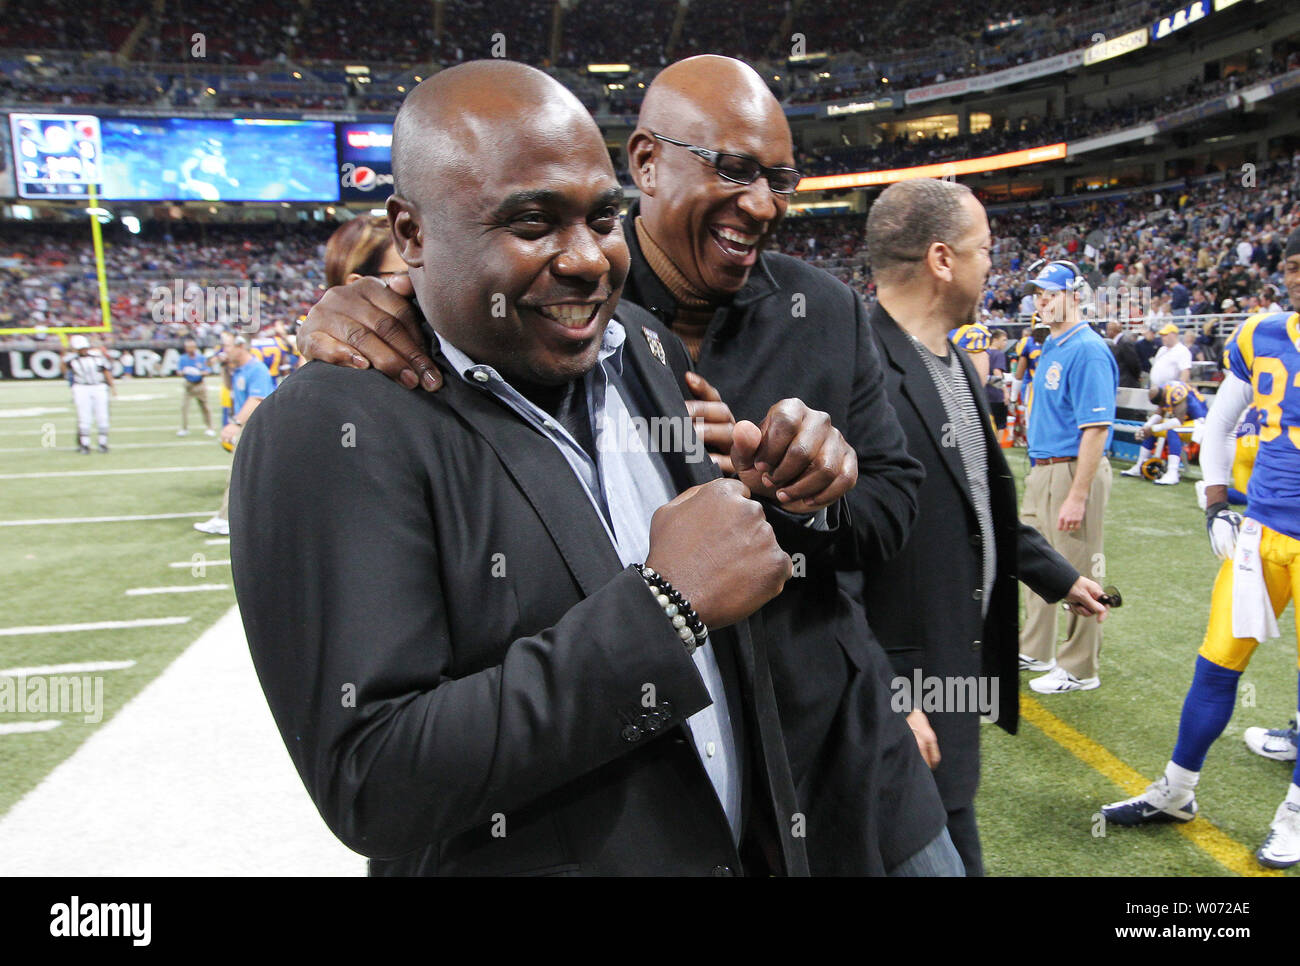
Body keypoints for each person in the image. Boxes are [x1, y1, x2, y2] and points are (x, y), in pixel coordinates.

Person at [293, 54, 960, 876]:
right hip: (619, 791)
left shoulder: (817, 311)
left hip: (833, 746)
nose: (760, 203)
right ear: (645, 163)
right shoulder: (571, 316)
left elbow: (894, 509)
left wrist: (809, 491)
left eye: (780, 179)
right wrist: (358, 306)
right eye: (735, 169)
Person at [857, 178, 1108, 875]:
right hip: (905, 696)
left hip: (951, 681)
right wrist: (885, 696)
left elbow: (979, 508)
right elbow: (827, 569)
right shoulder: (857, 370)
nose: (990, 268)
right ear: (942, 259)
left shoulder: (953, 359)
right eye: (984, 251)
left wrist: (1058, 577)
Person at [1100, 235, 1300, 867]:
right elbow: (1219, 418)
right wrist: (1214, 500)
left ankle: (1296, 814)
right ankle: (1177, 791)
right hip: (1262, 531)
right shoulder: (1260, 334)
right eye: (1294, 269)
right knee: (1215, 665)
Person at [1017, 260, 1119, 693]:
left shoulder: (1088, 348)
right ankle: (1036, 647)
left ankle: (1080, 667)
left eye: (1051, 293)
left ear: (1074, 296)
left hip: (1073, 470)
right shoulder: (1054, 344)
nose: (1042, 301)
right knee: (1037, 560)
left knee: (1078, 566)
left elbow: (1096, 428)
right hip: (1044, 468)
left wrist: (1078, 494)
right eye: (1038, 294)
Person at [194, 334, 273, 536]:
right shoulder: (240, 369)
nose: (224, 350)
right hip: (251, 428)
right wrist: (224, 368)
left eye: (227, 346)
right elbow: (230, 387)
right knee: (249, 477)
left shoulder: (257, 369)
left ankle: (225, 519)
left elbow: (257, 399)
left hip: (255, 428)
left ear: (240, 346)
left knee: (236, 476)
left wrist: (236, 423)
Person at [1120, 380, 1207, 486]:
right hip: (1187, 422)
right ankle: (1139, 466)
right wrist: (1146, 427)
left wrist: (1152, 429)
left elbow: (1179, 420)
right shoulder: (1163, 390)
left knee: (1173, 431)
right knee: (1154, 429)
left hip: (1200, 423)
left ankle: (1173, 473)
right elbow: (1159, 414)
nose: (1161, 405)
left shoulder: (1177, 391)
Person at [63, 334, 115, 454]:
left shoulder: (97, 357)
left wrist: (112, 386)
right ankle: (84, 444)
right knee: (84, 416)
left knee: (102, 415)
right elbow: (64, 369)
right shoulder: (71, 359)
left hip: (98, 386)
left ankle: (102, 443)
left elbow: (106, 371)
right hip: (81, 387)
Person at [176, 337, 216, 437]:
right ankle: (184, 428)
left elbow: (207, 371)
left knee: (205, 407)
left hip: (200, 384)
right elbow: (179, 371)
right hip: (188, 385)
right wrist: (185, 372)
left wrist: (198, 372)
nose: (190, 348)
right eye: (188, 347)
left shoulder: (201, 358)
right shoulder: (183, 358)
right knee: (184, 407)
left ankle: (210, 427)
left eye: (192, 346)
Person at [1149, 322, 1192, 389]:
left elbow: (1185, 371)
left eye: (1165, 335)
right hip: (1156, 389)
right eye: (1162, 335)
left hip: (1170, 390)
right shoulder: (1162, 349)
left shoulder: (1182, 350)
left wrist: (1179, 389)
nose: (1163, 338)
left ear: (1173, 335)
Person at [985, 327, 1009, 430]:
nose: (1006, 343)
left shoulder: (983, 352)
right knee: (999, 425)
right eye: (1003, 340)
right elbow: (997, 373)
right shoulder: (998, 354)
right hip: (996, 395)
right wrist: (1005, 391)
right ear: (995, 340)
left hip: (984, 393)